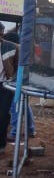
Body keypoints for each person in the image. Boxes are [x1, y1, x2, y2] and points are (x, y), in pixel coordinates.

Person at [0, 23, 18, 153]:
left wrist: (13, 79)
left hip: (5, 85)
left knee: (2, 115)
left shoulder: (11, 47)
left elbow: (18, 65)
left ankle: (1, 144)